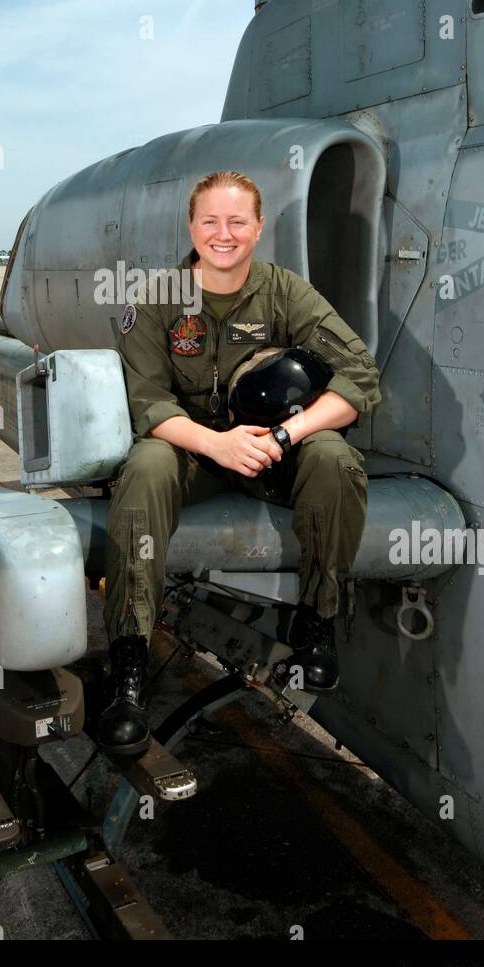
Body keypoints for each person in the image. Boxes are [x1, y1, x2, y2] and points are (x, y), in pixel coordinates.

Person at [98, 170, 381, 755]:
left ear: (258, 228)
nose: (222, 234)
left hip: (271, 453)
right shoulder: (157, 300)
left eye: (236, 222)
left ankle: (317, 621)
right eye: (210, 221)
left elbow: (359, 374)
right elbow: (147, 403)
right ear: (191, 227)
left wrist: (286, 433)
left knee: (332, 455)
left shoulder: (285, 292)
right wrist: (216, 443)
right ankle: (127, 666)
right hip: (194, 453)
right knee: (147, 466)